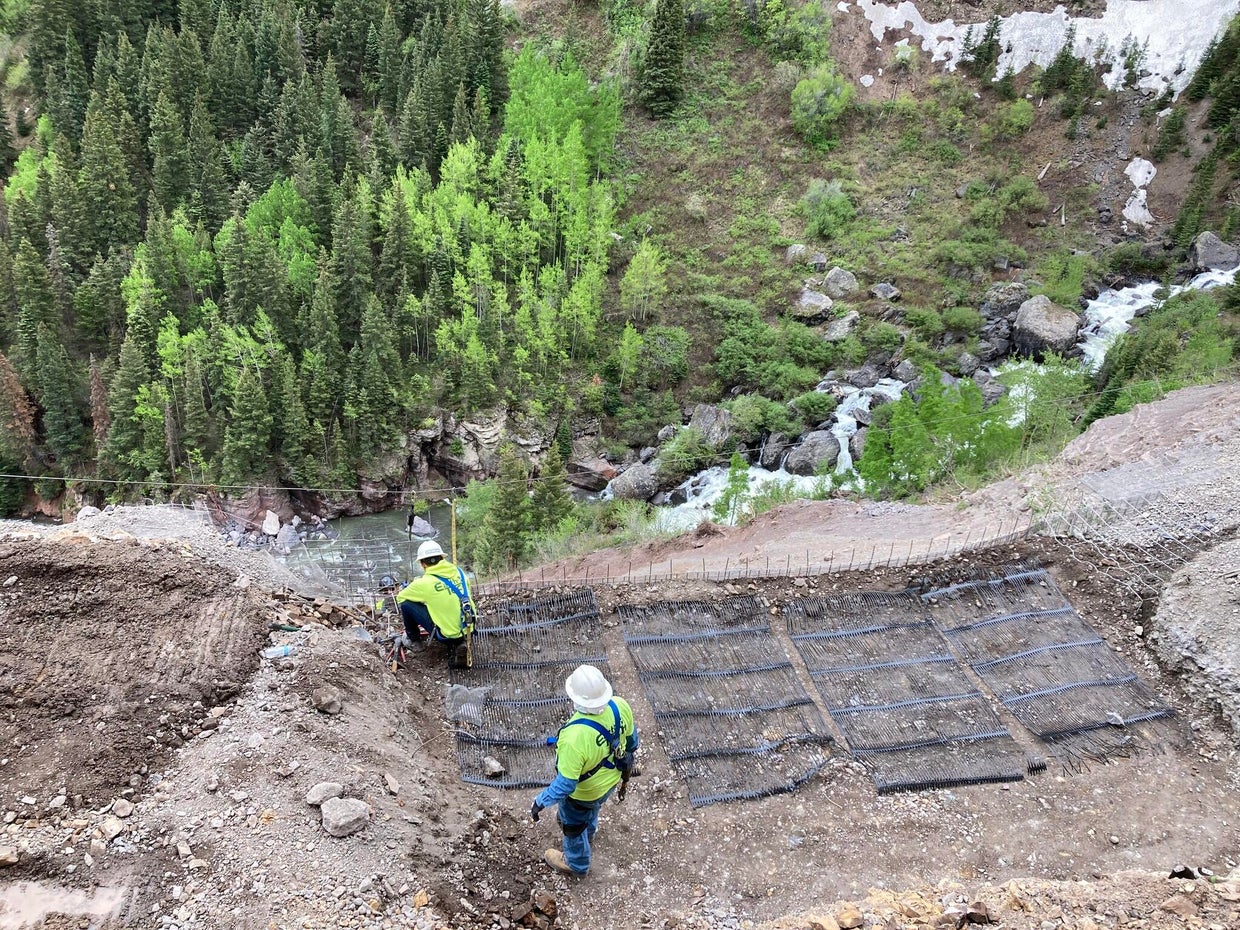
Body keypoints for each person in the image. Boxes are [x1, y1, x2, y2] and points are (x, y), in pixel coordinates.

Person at [530, 665, 638, 877]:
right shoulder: (620, 705)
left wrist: (540, 801)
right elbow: (633, 743)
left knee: (572, 824)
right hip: (610, 781)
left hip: (583, 794)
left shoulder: (574, 738)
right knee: (593, 808)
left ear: (576, 698)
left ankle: (576, 863)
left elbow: (566, 784)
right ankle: (589, 831)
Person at [395, 540, 476, 666]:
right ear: (442, 558)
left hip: (447, 636)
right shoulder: (460, 572)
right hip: (469, 627)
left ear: (423, 564)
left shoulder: (423, 583)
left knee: (406, 604)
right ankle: (463, 641)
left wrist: (423, 598)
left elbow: (400, 597)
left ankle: (414, 640)